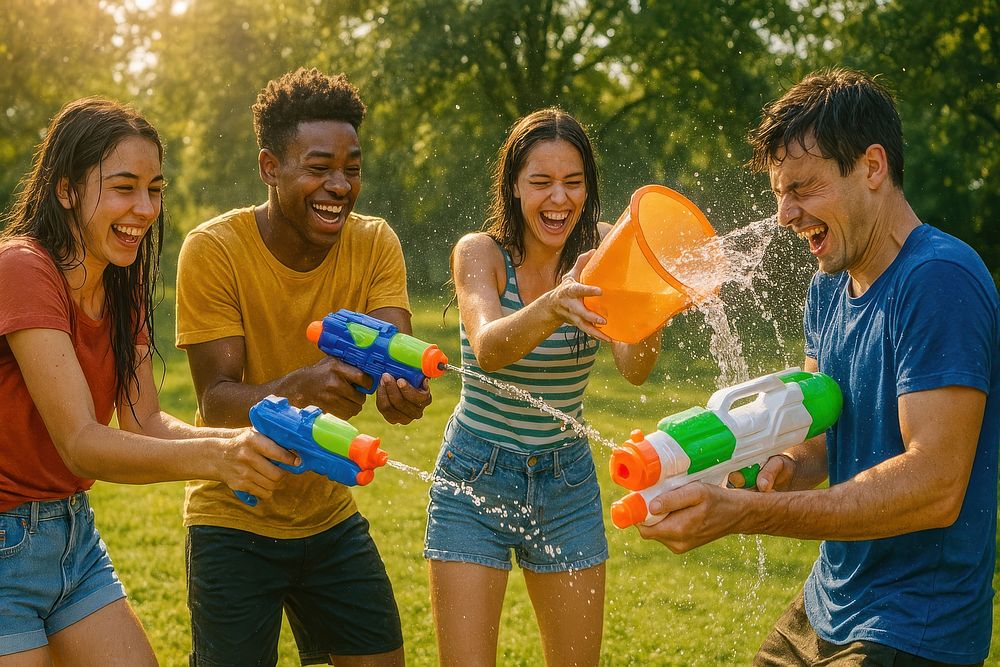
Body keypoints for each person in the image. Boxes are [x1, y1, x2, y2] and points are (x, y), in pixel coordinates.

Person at [637, 68, 999, 666]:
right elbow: (820, 432)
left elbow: (936, 487)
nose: (783, 214)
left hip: (912, 627)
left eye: (803, 188)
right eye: (779, 192)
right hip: (828, 603)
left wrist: (749, 514)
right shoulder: (829, 285)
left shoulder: (939, 280)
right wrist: (767, 468)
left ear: (872, 167)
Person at [0, 98, 293, 665]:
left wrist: (245, 440)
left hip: (71, 539)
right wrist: (218, 459)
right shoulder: (22, 269)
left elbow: (146, 421)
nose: (145, 208)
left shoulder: (120, 282)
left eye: (154, 189)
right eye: (123, 187)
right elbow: (81, 442)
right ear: (65, 190)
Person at [175, 68, 430, 667]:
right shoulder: (214, 250)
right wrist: (299, 388)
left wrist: (404, 391)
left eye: (352, 168)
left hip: (329, 515)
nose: (339, 186)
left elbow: (397, 358)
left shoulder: (374, 243)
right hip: (232, 518)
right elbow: (216, 401)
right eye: (318, 168)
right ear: (270, 167)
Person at [424, 108, 663, 667]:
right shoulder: (480, 253)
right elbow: (489, 347)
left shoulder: (605, 250)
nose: (560, 199)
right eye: (541, 182)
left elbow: (634, 365)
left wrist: (653, 308)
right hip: (473, 478)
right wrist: (553, 306)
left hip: (565, 485)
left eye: (574, 183)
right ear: (513, 186)